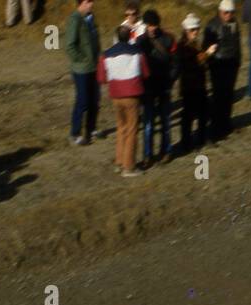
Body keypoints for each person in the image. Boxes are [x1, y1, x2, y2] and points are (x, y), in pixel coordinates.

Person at [98, 23, 150, 177]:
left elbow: (101, 78)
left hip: (115, 95)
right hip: (132, 95)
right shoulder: (137, 52)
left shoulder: (105, 55)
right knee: (132, 130)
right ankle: (129, 166)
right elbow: (146, 73)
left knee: (121, 128)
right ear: (129, 38)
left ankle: (119, 162)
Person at [174, 14, 214, 153]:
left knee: (203, 112)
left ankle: (201, 139)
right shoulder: (182, 46)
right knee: (188, 116)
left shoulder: (196, 43)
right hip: (189, 86)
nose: (195, 32)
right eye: (192, 30)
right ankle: (186, 142)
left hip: (199, 84)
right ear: (186, 31)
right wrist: (207, 54)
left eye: (197, 29)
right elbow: (191, 63)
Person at [139, 10, 175, 164]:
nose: (151, 28)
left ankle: (166, 151)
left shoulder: (168, 40)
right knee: (148, 124)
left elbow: (176, 63)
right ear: (145, 25)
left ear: (157, 25)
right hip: (148, 87)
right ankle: (148, 155)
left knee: (166, 121)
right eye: (149, 25)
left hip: (164, 86)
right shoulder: (140, 42)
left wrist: (170, 81)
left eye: (153, 25)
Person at [204, 0, 242, 140]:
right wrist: (210, 61)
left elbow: (237, 43)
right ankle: (215, 127)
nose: (229, 15)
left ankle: (226, 123)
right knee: (218, 97)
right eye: (226, 12)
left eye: (231, 12)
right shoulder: (212, 25)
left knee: (228, 96)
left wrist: (238, 60)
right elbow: (206, 46)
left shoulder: (235, 23)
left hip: (231, 63)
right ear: (220, 11)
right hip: (218, 64)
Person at [65, 0, 102, 145]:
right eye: (88, 1)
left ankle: (91, 129)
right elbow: (69, 46)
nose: (92, 4)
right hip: (81, 69)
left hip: (94, 67)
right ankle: (75, 133)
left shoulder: (91, 18)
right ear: (81, 3)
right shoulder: (75, 19)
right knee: (82, 100)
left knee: (94, 99)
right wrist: (83, 59)